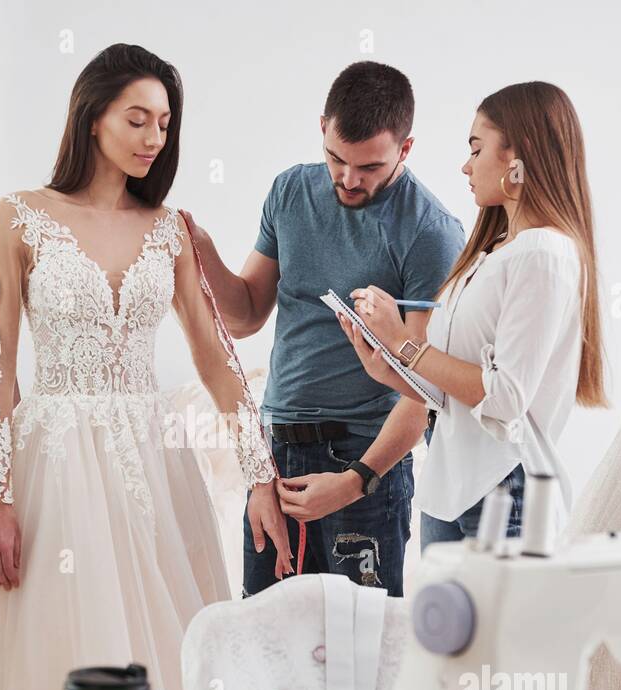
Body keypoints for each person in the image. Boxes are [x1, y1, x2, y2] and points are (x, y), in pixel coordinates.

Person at [0, 43, 290, 690]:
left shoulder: (170, 229)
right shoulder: (20, 215)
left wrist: (259, 474)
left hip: (153, 463)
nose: (155, 138)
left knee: (163, 648)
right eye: (138, 119)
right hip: (51, 463)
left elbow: (214, 356)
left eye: (165, 125)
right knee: (56, 634)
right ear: (93, 117)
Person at [183, 61, 464, 598]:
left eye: (369, 166)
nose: (349, 179)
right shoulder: (290, 191)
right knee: (266, 649)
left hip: (363, 459)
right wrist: (206, 254)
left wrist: (356, 481)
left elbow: (423, 392)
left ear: (405, 150)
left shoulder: (430, 231)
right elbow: (244, 316)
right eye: (337, 158)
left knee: (360, 660)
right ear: (321, 128)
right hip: (277, 455)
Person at [339, 80, 606, 544]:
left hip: (505, 488)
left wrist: (406, 343)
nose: (466, 165)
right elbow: (456, 396)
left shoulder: (543, 252)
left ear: (517, 158)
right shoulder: (492, 254)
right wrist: (386, 365)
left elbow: (503, 399)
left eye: (476, 148)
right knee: (438, 620)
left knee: (494, 620)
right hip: (450, 488)